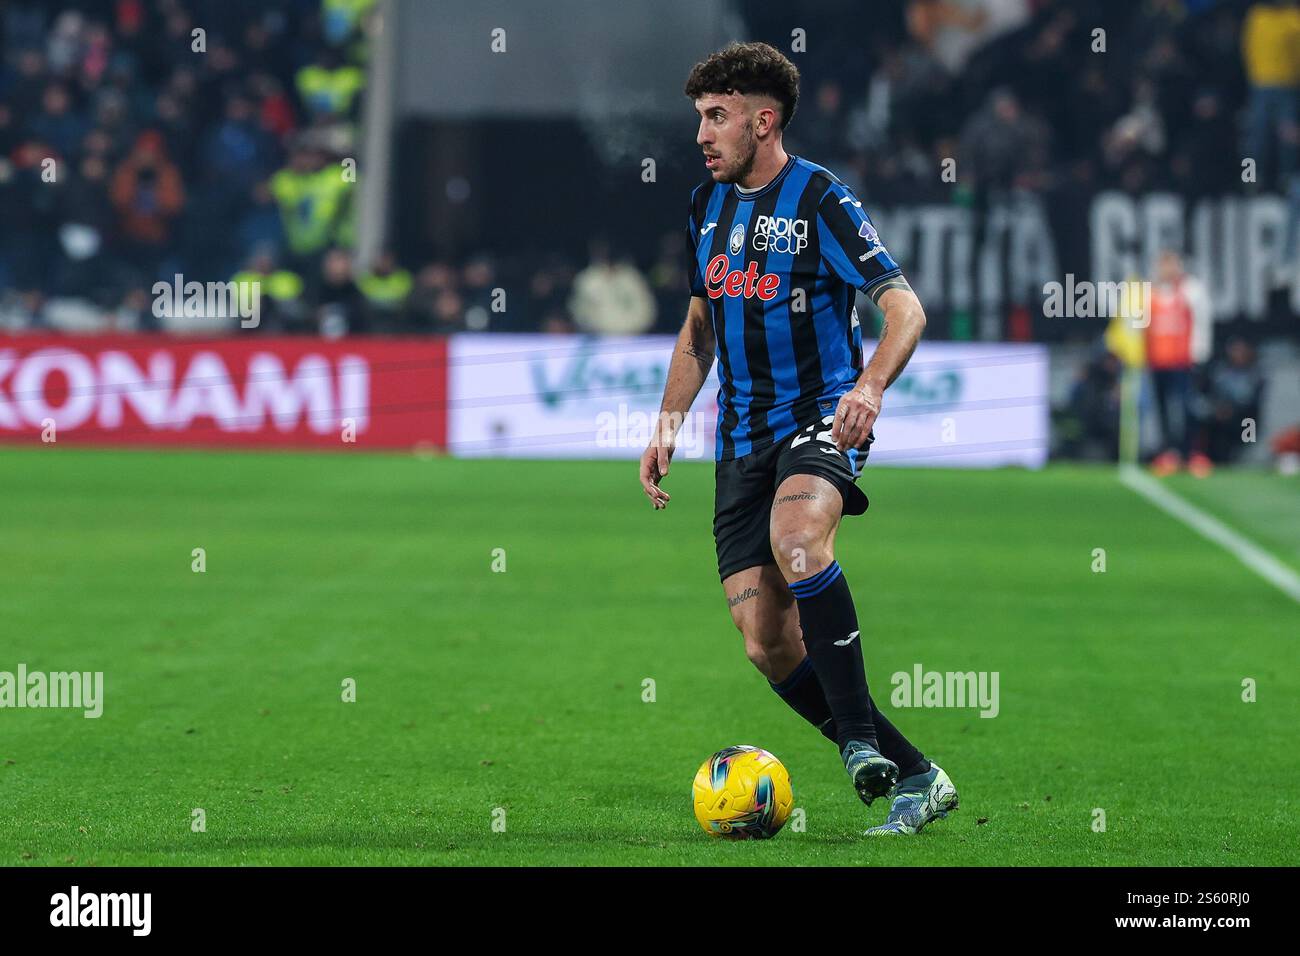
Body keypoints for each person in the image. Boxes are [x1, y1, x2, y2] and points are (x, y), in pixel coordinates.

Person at [638, 42, 954, 836]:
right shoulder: (702, 210)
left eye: (717, 117)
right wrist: (667, 425)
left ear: (764, 119)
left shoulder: (821, 200)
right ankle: (918, 774)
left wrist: (868, 387)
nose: (702, 135)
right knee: (766, 642)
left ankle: (854, 743)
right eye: (700, 118)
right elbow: (700, 327)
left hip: (819, 417)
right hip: (741, 440)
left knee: (799, 540)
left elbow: (905, 309)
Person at [1145, 250, 1212, 476]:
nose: (1166, 270)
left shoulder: (1192, 290)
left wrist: (1199, 353)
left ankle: (1192, 453)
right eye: (1163, 265)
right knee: (1162, 409)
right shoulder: (1150, 293)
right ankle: (1169, 453)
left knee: (1188, 408)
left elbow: (1202, 323)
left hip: (1184, 361)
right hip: (1157, 361)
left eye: (1170, 265)